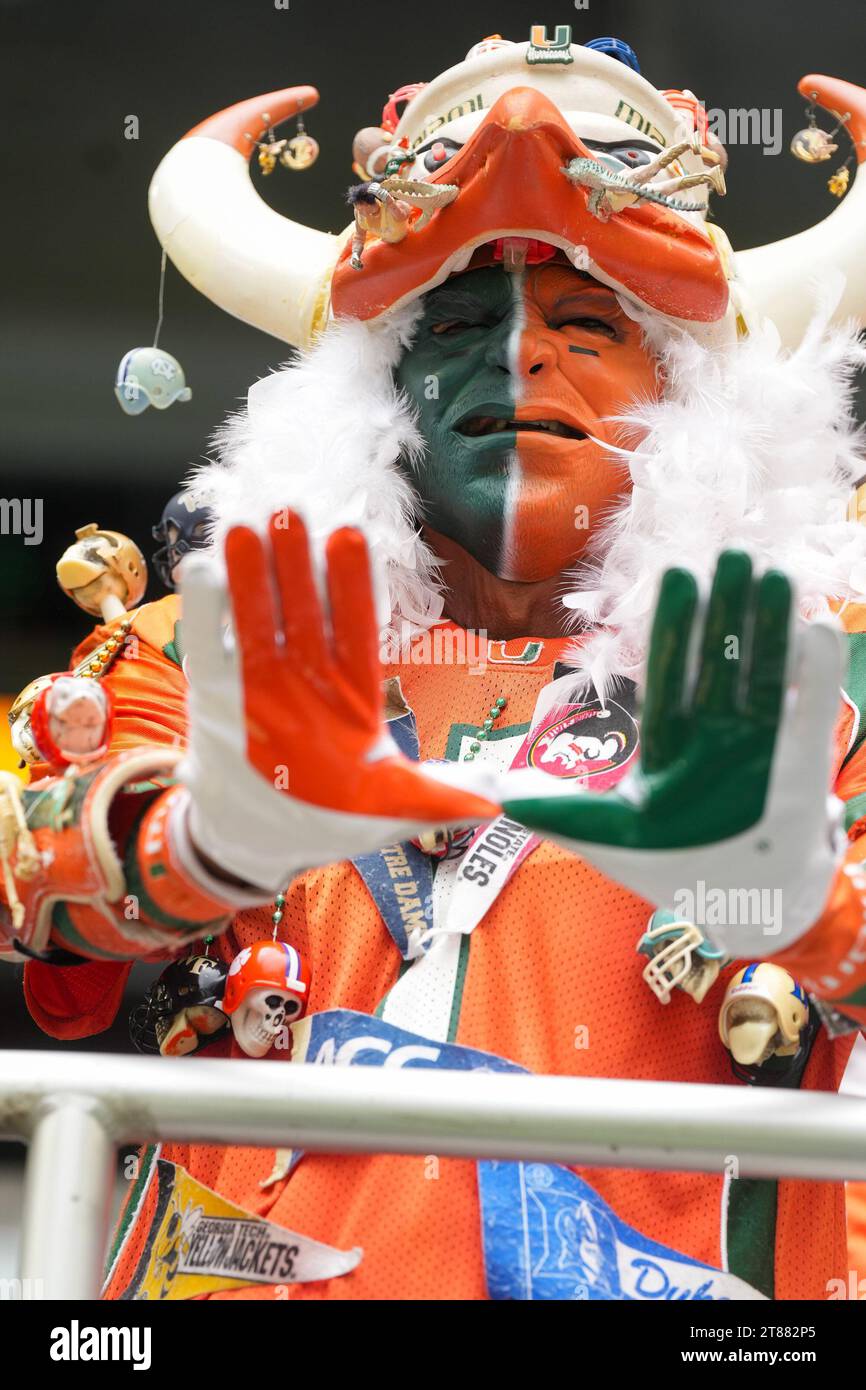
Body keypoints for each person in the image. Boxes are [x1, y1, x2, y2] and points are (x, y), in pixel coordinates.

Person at [7, 30, 866, 1301]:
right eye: (458, 320)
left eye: (588, 322)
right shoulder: (222, 635)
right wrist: (200, 846)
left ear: (693, 399)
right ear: (374, 392)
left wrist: (798, 907)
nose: (518, 356)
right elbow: (26, 857)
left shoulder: (812, 662)